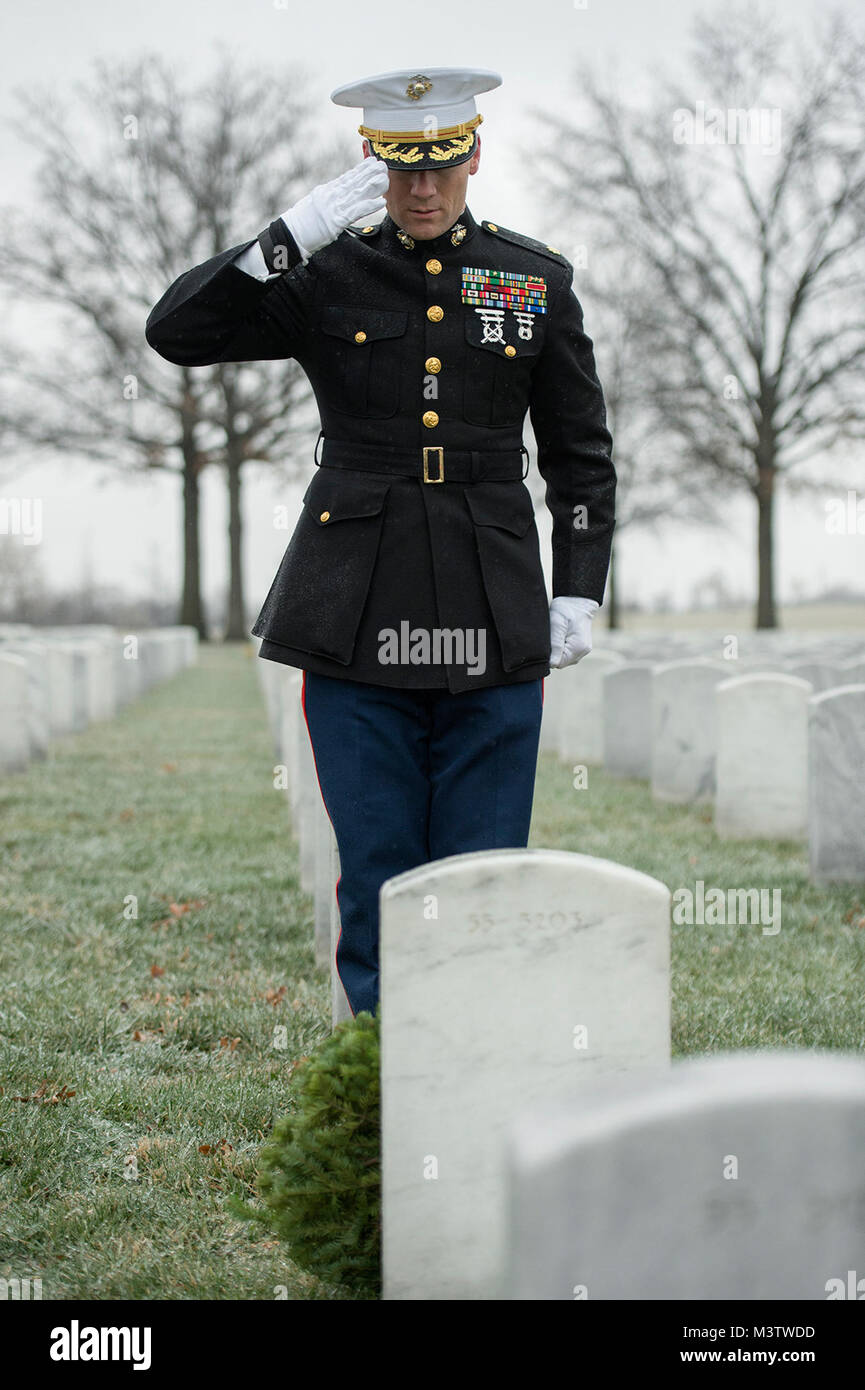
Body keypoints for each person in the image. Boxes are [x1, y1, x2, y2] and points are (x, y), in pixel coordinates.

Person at [145, 67, 616, 1018]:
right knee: (378, 876)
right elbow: (176, 332)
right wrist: (290, 236)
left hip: (493, 610)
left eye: (441, 165)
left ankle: (476, 1071)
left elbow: (579, 456)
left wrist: (578, 587)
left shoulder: (533, 280)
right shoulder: (325, 272)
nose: (423, 189)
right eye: (402, 168)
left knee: (483, 875)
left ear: (473, 154)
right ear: (373, 161)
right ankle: (382, 1090)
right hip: (352, 609)